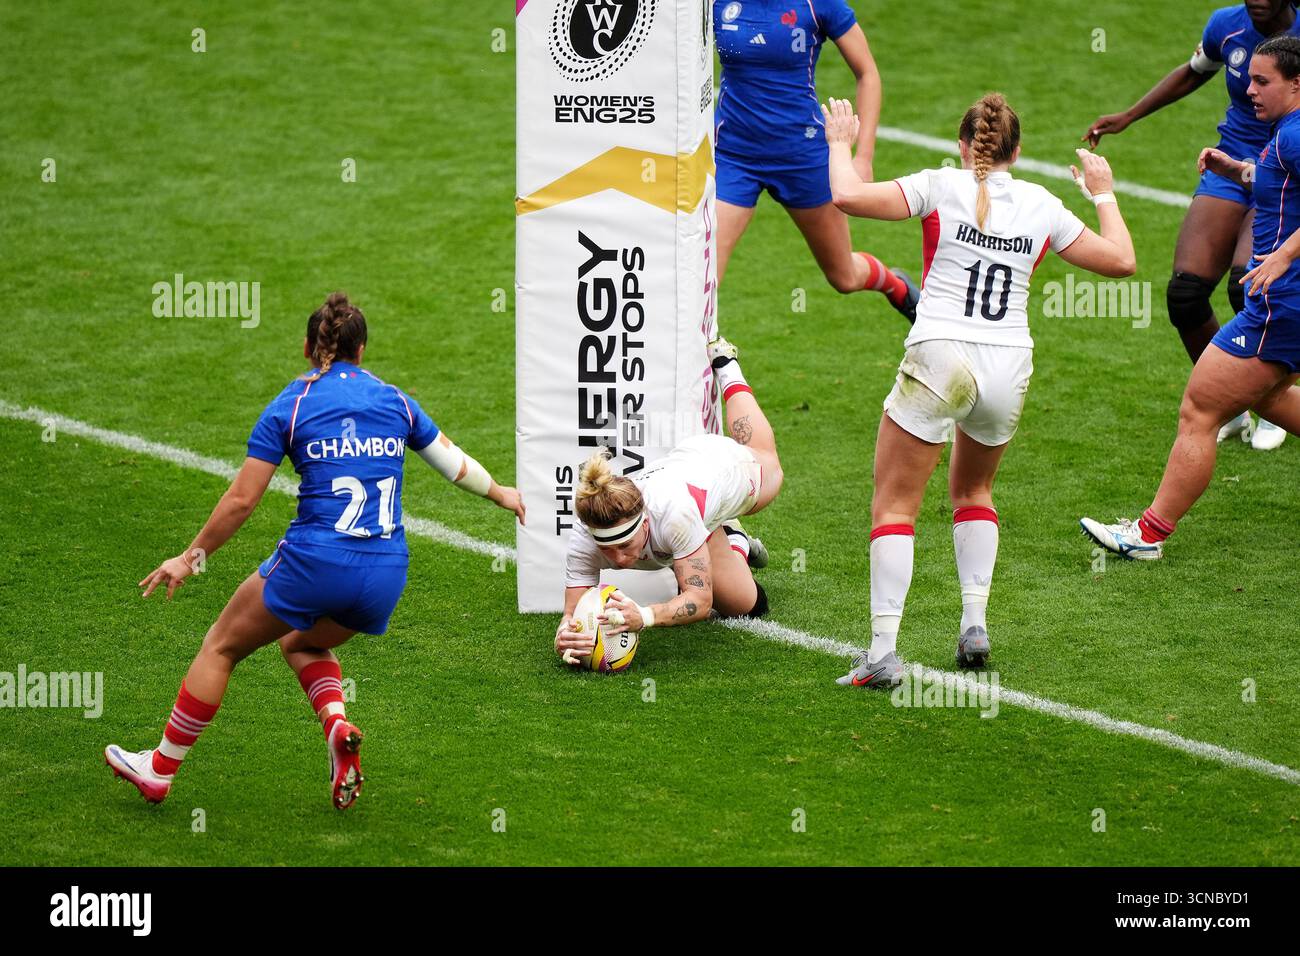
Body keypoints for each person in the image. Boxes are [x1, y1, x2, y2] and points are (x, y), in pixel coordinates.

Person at [105, 292, 525, 808]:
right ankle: (336, 723)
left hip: (315, 562)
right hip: (384, 575)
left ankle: (160, 769)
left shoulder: (293, 403)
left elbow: (240, 501)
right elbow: (453, 463)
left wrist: (188, 559)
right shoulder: (396, 401)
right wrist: (504, 494)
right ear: (362, 350)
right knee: (301, 642)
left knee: (221, 646)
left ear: (307, 347)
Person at [821, 93, 1136, 687]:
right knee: (974, 489)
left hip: (940, 353)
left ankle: (883, 654)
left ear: (964, 146)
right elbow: (1122, 260)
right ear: (1016, 152)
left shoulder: (940, 184)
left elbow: (847, 197)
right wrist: (1102, 191)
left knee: (894, 506)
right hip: (1008, 365)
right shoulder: (1043, 204)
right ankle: (974, 622)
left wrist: (840, 140)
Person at [1084, 37, 1300, 561]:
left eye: (1262, 81)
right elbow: (1278, 181)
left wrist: (1283, 256)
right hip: (1282, 305)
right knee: (1262, 395)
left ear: (1297, 83)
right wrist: (1236, 171)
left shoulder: (1296, 134)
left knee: (1200, 408)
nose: (1248, 89)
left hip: (1280, 305)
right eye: (1249, 79)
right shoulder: (1284, 134)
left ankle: (1148, 535)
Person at [553, 338, 781, 663]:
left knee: (767, 459)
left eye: (626, 545)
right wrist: (567, 635)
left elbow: (699, 602)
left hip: (723, 467)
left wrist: (643, 616)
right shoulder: (584, 535)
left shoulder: (674, 515)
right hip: (690, 499)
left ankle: (727, 365)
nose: (617, 559)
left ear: (645, 521)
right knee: (748, 606)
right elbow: (572, 612)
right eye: (607, 548)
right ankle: (734, 540)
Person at [713, 0, 919, 319]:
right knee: (705, 275)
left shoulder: (818, 4)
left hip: (803, 157)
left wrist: (862, 157)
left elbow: (868, 74)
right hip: (733, 156)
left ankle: (896, 286)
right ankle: (707, 362)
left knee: (844, 277)